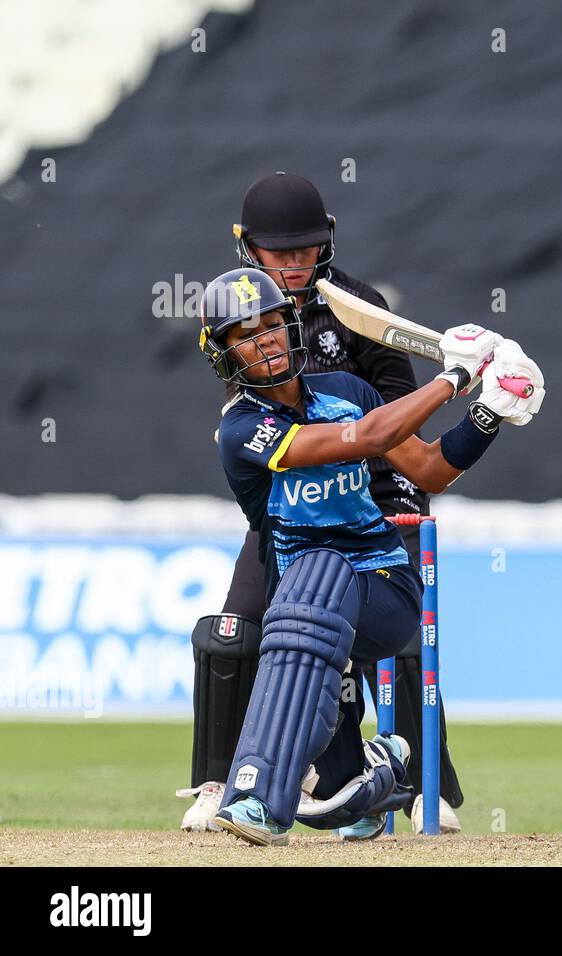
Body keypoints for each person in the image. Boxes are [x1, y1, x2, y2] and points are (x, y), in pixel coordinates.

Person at [194, 266, 543, 844]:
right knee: (350, 810)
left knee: (320, 569)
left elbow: (429, 468)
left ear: (291, 326)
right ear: (223, 354)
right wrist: (456, 376)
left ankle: (256, 797)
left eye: (274, 325)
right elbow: (364, 439)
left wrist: (490, 414)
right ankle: (374, 773)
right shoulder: (241, 432)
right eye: (246, 335)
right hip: (300, 624)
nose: (266, 341)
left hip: (383, 590)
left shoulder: (346, 392)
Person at [179, 172, 463, 834]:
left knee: (400, 634)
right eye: (281, 254)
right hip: (287, 505)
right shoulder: (233, 309)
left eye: (305, 251)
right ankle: (220, 782)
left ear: (326, 241)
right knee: (233, 632)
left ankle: (427, 787)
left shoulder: (361, 308)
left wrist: (399, 503)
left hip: (368, 497)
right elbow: (252, 426)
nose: (295, 265)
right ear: (247, 247)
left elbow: (396, 419)